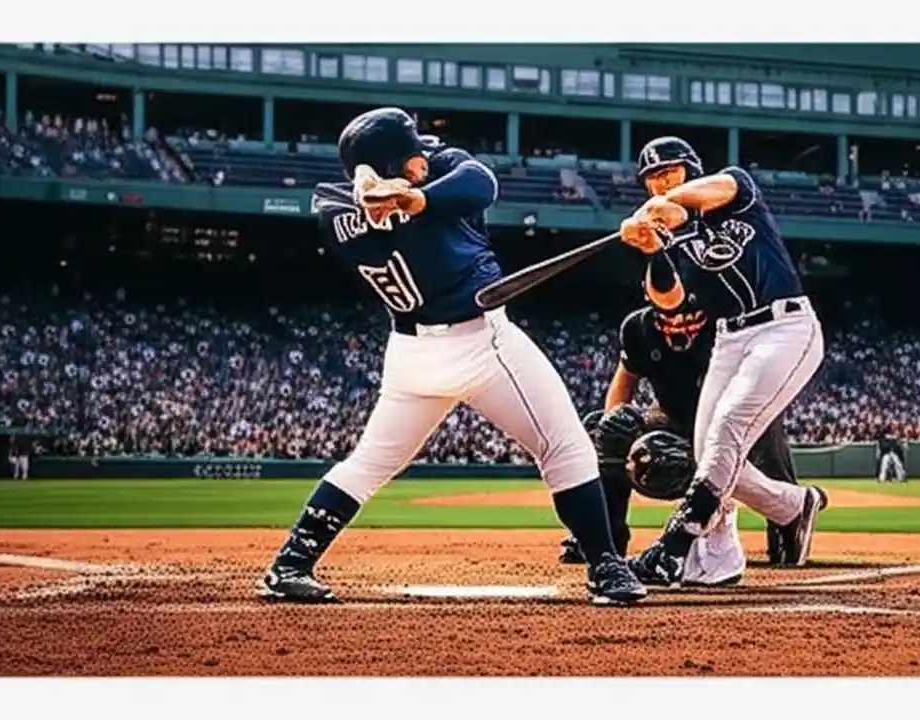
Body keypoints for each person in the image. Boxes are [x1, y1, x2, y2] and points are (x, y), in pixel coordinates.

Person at [259, 107, 645, 606]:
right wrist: (381, 194)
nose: (424, 154)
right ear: (385, 163)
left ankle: (291, 562)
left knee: (554, 445)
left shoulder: (436, 172)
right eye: (412, 152)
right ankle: (607, 567)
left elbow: (480, 183)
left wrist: (413, 197)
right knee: (560, 446)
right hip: (456, 349)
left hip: (456, 339)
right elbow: (361, 215)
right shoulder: (336, 208)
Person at [617, 136, 828, 587]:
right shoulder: (671, 239)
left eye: (670, 171)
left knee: (729, 426)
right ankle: (752, 534)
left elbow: (709, 193)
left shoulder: (735, 187)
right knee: (706, 453)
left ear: (691, 169)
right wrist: (653, 248)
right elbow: (668, 301)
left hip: (784, 326)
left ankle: (672, 548)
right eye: (653, 177)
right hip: (729, 338)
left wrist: (655, 208)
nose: (661, 181)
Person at [558, 295, 827, 582]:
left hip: (737, 426)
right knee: (607, 424)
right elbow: (622, 386)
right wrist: (610, 434)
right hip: (675, 423)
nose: (679, 322)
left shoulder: (729, 326)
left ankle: (788, 513)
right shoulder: (638, 328)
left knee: (746, 428)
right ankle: (606, 538)